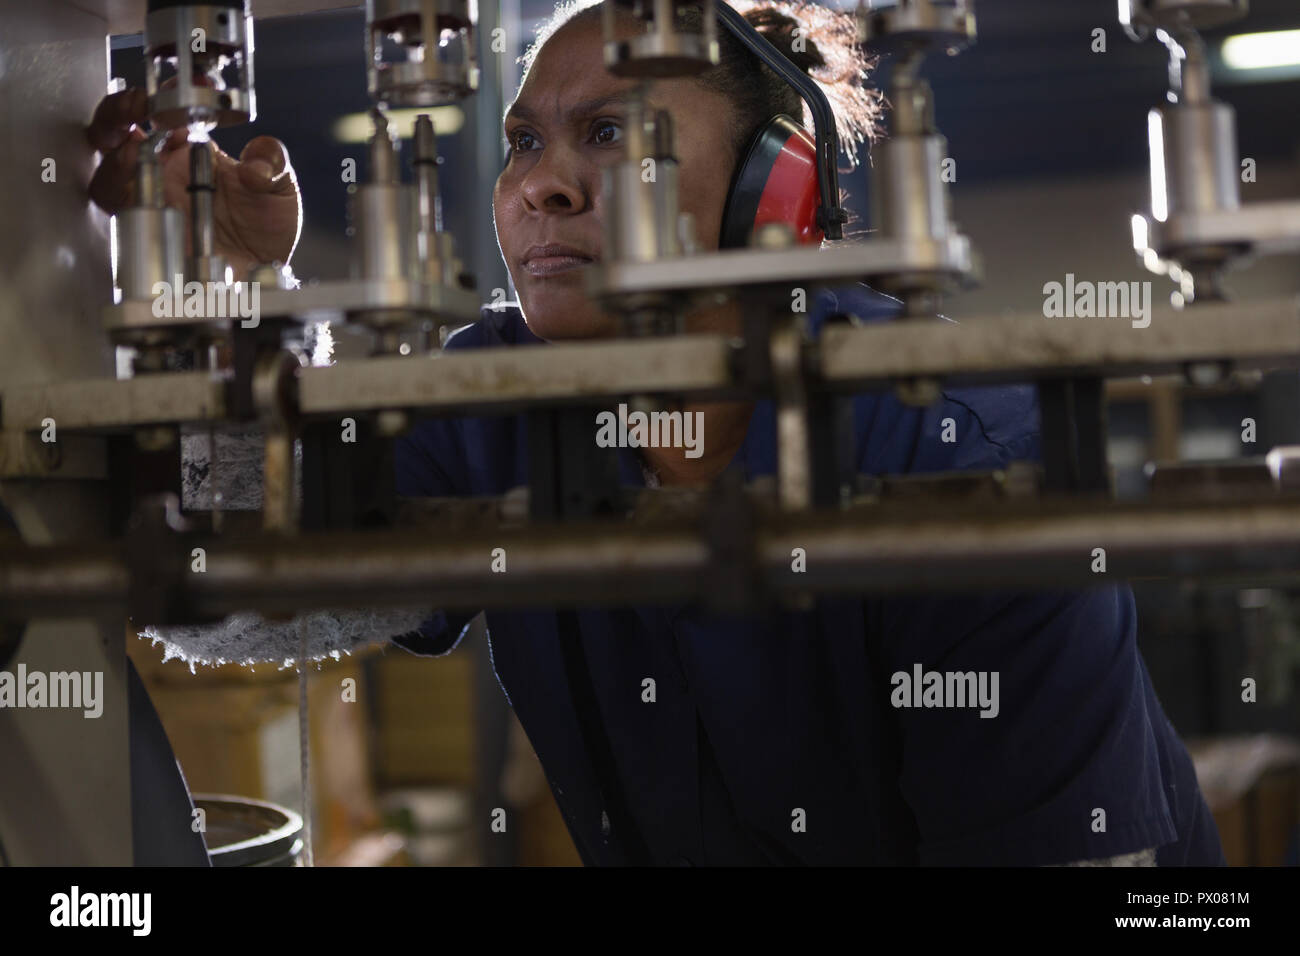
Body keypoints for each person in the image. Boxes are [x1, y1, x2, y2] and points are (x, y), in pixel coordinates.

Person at [87, 0, 1224, 866]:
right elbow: (232, 591)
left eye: (610, 133)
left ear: (772, 195)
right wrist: (232, 294)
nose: (544, 185)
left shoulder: (959, 452)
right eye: (525, 143)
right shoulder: (497, 400)